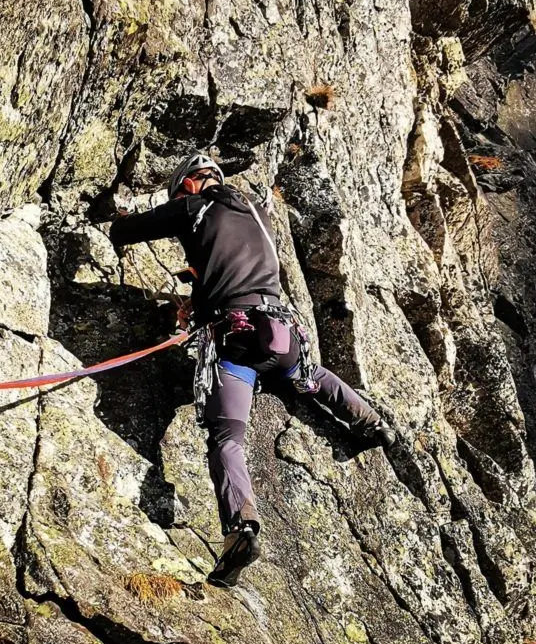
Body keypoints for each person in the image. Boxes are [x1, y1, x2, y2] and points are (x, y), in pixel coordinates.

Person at [109, 153, 396, 588]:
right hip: (281, 333)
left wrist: (119, 214)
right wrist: (201, 294)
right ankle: (372, 422)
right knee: (306, 375)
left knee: (227, 438)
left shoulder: (194, 206)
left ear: (190, 183)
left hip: (236, 340)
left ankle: (241, 528)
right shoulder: (258, 212)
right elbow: (235, 264)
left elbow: (124, 231)